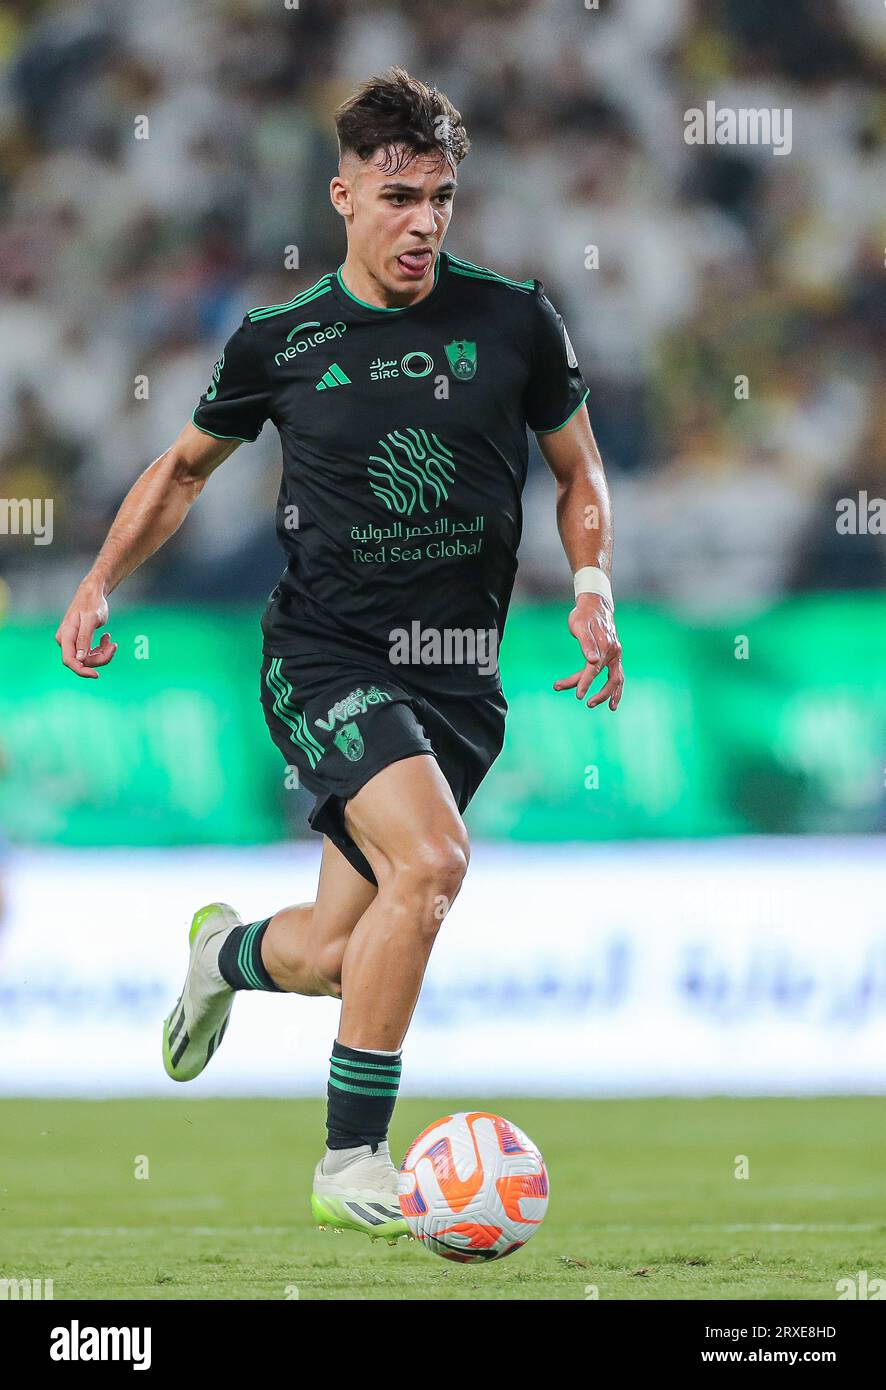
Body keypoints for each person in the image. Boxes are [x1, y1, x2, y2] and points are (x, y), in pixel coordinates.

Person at [55, 67, 624, 1244]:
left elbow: (577, 471)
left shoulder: (514, 318)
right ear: (345, 197)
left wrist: (591, 587)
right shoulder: (281, 338)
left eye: (443, 197)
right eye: (401, 194)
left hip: (460, 675)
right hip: (325, 656)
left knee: (329, 956)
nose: (423, 219)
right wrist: (103, 579)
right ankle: (352, 1156)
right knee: (433, 860)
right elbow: (180, 473)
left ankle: (225, 954)